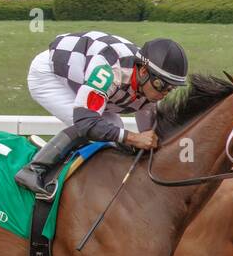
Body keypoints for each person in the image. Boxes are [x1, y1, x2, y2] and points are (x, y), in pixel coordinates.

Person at [16, 31, 188, 200]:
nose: (165, 92)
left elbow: (150, 136)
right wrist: (134, 138)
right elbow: (86, 122)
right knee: (103, 126)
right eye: (162, 85)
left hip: (87, 73)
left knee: (114, 129)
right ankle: (32, 169)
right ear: (143, 71)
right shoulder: (110, 71)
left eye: (171, 88)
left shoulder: (148, 82)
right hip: (49, 75)